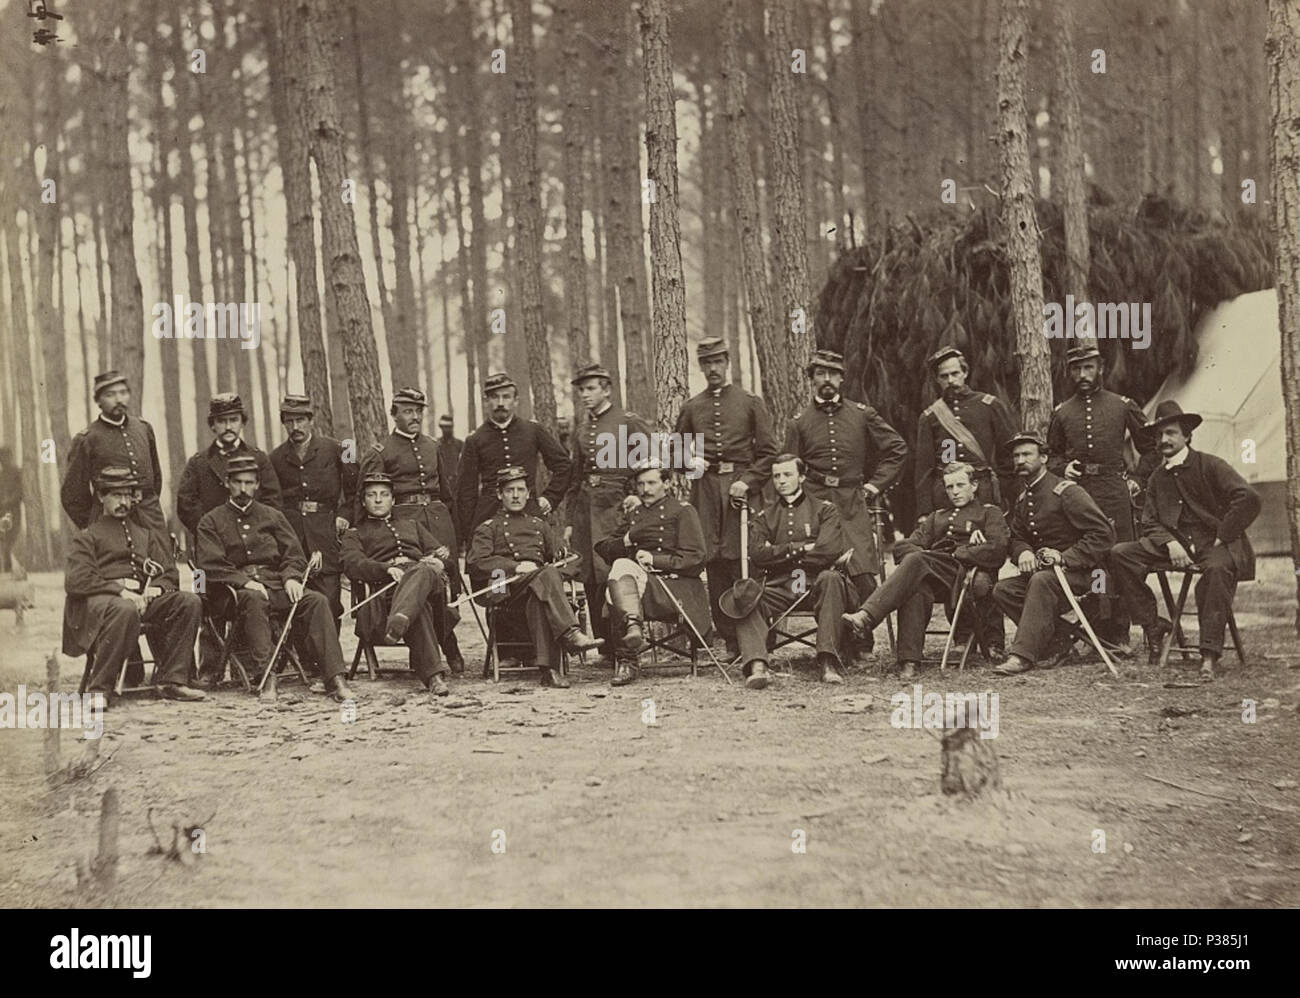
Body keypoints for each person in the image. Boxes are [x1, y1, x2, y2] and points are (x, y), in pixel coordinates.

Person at [1108, 401, 1261, 681]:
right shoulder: (1157, 477)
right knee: (1120, 554)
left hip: (1215, 546)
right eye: (1159, 435)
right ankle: (1153, 626)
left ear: (1187, 436)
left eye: (1171, 433)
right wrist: (1169, 543)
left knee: (1215, 571)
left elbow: (1248, 498)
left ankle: (1208, 655)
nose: (1164, 440)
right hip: (1174, 546)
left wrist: (1223, 535)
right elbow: (1149, 520)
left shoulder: (1210, 465)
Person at [195, 454, 355, 701]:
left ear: (258, 484)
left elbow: (294, 554)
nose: (243, 489)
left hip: (277, 584)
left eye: (249, 483)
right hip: (233, 593)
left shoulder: (272, 515)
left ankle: (335, 677)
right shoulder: (211, 521)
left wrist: (291, 577)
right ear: (227, 483)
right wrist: (245, 582)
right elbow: (210, 564)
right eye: (237, 482)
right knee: (253, 598)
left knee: (316, 601)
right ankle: (267, 676)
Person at [784, 348, 907, 648]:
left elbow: (897, 449)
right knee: (822, 570)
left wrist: (875, 487)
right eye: (820, 374)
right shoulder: (798, 423)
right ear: (811, 379)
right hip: (816, 503)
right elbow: (787, 464)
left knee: (863, 569)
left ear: (841, 378)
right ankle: (833, 638)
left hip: (854, 500)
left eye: (832, 374)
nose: (827, 380)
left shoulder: (862, 414)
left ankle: (862, 639)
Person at [843, 462, 1009, 678]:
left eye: (960, 485)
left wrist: (960, 552)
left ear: (974, 485)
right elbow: (902, 547)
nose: (955, 492)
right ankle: (909, 661)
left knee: (918, 560)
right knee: (916, 586)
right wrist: (932, 554)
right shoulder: (936, 517)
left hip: (964, 574)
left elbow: (998, 549)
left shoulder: (989, 513)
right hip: (937, 575)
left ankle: (867, 616)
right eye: (949, 487)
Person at [62, 467, 205, 703]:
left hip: (140, 602)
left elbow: (167, 572)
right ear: (101, 496)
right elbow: (76, 580)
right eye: (116, 496)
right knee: (124, 608)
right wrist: (121, 590)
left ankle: (172, 680)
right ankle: (99, 690)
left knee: (189, 601)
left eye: (128, 495)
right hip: (100, 605)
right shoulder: (88, 536)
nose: (124, 502)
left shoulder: (144, 535)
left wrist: (156, 588)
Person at [673, 337, 777, 658]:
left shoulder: (749, 402)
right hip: (705, 490)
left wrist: (747, 481)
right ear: (701, 367)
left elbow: (770, 452)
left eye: (718, 361)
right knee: (713, 560)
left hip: (740, 491)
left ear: (727, 362)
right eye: (707, 363)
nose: (713, 368)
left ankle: (759, 639)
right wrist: (690, 462)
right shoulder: (692, 407)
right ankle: (730, 641)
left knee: (744, 559)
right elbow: (674, 452)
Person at [1046, 343, 1156, 646]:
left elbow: (1151, 448)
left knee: (1118, 557)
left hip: (1114, 492)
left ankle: (1119, 631)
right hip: (1079, 495)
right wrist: (1064, 467)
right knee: (1087, 559)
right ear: (1070, 372)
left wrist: (1136, 478)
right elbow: (1051, 456)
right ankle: (1093, 631)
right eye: (1077, 369)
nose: (1083, 374)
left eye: (1089, 367)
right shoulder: (1062, 412)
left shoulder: (1122, 405)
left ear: (1101, 368)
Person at [913, 345, 1016, 659]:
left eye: (955, 373)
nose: (951, 380)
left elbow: (1009, 458)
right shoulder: (931, 416)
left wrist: (1009, 501)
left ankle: (994, 640)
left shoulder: (989, 405)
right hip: (946, 496)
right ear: (937, 380)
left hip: (983, 492)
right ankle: (962, 635)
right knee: (951, 560)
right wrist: (924, 512)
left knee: (986, 564)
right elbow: (924, 469)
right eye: (944, 376)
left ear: (966, 372)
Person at [991, 433, 1115, 677]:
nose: (1020, 460)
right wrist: (1024, 551)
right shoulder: (1024, 497)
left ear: (1044, 458)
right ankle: (1060, 641)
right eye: (1016, 456)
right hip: (1051, 578)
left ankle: (1022, 655)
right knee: (1003, 589)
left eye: (1027, 454)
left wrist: (1065, 557)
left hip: (1089, 575)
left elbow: (1103, 534)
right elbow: (1016, 537)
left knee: (1041, 580)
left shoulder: (1067, 492)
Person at [467, 466, 604, 687]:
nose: (515, 495)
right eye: (509, 490)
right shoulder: (488, 528)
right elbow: (477, 563)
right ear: (499, 495)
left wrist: (553, 575)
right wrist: (515, 567)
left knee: (541, 595)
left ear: (528, 494)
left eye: (520, 490)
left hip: (540, 590)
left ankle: (549, 672)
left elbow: (572, 559)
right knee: (545, 579)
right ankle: (570, 633)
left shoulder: (539, 526)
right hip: (507, 589)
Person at [359, 387, 465, 672]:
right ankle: (441, 648)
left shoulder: (433, 446)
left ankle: (445, 642)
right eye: (407, 411)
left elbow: (446, 491)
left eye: (418, 411)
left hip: (439, 521)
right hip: (405, 521)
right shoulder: (380, 452)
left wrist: (453, 530)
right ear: (394, 415)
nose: (415, 416)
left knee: (445, 583)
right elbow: (368, 497)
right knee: (420, 580)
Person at [730, 453, 858, 686]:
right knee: (746, 593)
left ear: (802, 477)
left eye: (788, 474)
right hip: (780, 587)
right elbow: (757, 555)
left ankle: (828, 661)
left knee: (831, 577)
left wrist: (777, 552)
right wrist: (802, 548)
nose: (781, 480)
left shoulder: (824, 510)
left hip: (818, 585)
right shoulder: (764, 516)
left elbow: (828, 551)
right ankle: (758, 665)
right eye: (776, 476)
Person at [595, 462, 709, 687]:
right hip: (640, 587)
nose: (645, 489)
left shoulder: (683, 511)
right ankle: (632, 631)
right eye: (640, 484)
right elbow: (603, 547)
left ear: (666, 484)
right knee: (619, 568)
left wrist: (655, 560)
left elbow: (696, 559)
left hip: (676, 588)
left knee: (617, 586)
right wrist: (627, 540)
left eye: (651, 483)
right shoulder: (635, 514)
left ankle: (628, 656)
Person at [341, 472, 453, 697]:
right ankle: (434, 678)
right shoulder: (355, 533)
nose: (379, 500)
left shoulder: (413, 525)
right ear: (363, 501)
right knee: (418, 609)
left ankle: (401, 618)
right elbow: (352, 564)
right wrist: (385, 568)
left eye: (384, 495)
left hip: (429, 588)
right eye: (372, 495)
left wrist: (440, 562)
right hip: (386, 598)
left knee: (422, 570)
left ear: (393, 499)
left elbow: (440, 555)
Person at [564, 363, 653, 642]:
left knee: (612, 571)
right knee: (589, 575)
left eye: (590, 389)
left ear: (607, 389)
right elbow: (574, 478)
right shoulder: (581, 430)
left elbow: (651, 464)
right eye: (581, 390)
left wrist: (638, 495)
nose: (585, 395)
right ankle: (603, 645)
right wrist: (569, 521)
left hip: (616, 506)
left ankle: (622, 642)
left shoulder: (628, 421)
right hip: (585, 510)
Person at [454, 372, 570, 546]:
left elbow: (563, 465)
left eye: (506, 397)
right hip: (489, 515)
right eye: (494, 397)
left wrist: (550, 498)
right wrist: (469, 531)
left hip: (529, 512)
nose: (501, 403)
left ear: (516, 401)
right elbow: (465, 491)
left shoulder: (533, 430)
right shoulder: (475, 439)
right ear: (486, 401)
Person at [269, 394, 357, 623]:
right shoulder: (275, 458)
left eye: (300, 420)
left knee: (329, 600)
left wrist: (344, 516)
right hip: (292, 538)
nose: (295, 427)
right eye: (289, 421)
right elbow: (271, 502)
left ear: (311, 420)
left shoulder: (339, 449)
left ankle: (329, 657)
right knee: (295, 601)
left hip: (326, 536)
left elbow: (355, 492)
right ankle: (303, 657)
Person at [61, 371, 169, 549]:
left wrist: (149, 506)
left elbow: (155, 478)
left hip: (150, 520)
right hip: (109, 522)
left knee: (164, 570)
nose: (119, 399)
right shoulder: (87, 439)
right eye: (110, 395)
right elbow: (72, 495)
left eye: (123, 393)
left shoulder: (143, 429)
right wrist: (94, 524)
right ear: (98, 401)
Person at [177, 392, 282, 538]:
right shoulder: (198, 463)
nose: (228, 426)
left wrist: (255, 530)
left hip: (255, 541)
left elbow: (273, 499)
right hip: (212, 542)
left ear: (242, 422)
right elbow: (186, 505)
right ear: (212, 425)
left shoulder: (259, 458)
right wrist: (209, 530)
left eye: (233, 420)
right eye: (221, 421)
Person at [0, 445, 21, 573]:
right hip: (4, 512)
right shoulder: (1, 476)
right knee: (5, 542)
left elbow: (20, 492)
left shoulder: (17, 472)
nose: (3, 460)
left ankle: (9, 568)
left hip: (13, 512)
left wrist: (8, 501)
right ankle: (7, 569)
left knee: (9, 541)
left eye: (5, 457)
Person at [437, 414, 463, 495]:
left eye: (448, 427)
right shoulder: (436, 445)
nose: (446, 430)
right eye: (444, 427)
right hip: (442, 484)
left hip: (457, 483)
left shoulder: (460, 444)